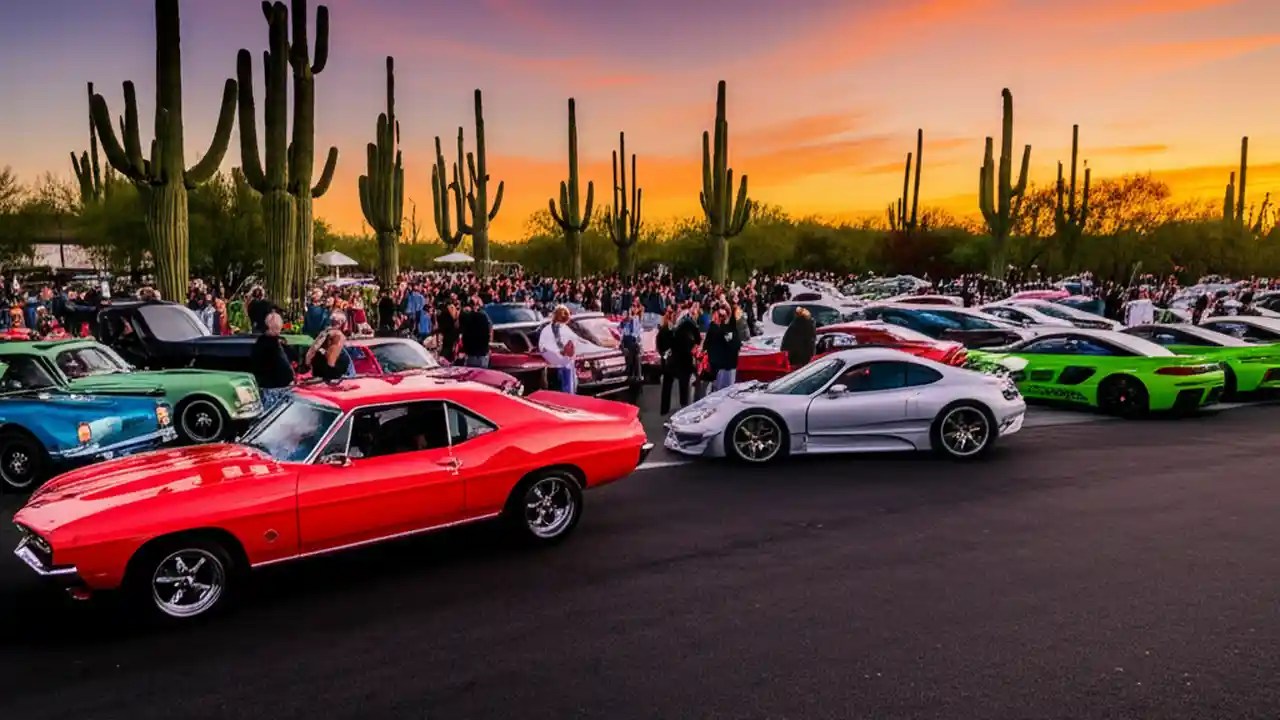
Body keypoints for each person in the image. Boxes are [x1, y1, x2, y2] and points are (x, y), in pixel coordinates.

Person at [657, 304, 700, 415]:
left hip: (680, 362)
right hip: (675, 363)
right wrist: (665, 356)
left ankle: (679, 409)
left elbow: (695, 340)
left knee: (681, 386)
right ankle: (670, 410)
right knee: (675, 386)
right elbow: (660, 345)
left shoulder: (684, 327)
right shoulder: (668, 329)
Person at [251, 311, 296, 409]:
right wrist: (290, 379)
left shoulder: (260, 342)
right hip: (276, 390)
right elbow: (284, 366)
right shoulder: (276, 345)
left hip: (263, 387)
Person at [539, 305, 584, 394]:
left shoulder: (559, 328)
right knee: (564, 385)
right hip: (559, 363)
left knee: (567, 383)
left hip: (563, 361)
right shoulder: (552, 330)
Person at [704, 304, 742, 392]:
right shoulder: (718, 329)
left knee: (723, 389)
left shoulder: (726, 329)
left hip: (725, 366)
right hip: (722, 366)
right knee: (723, 389)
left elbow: (734, 345)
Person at [307, 311, 352, 381]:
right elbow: (331, 358)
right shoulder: (338, 335)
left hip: (318, 366)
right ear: (341, 322)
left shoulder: (325, 332)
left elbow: (314, 348)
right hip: (330, 369)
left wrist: (308, 362)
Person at [459, 301, 493, 368]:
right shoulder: (483, 316)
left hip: (472, 353)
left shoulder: (468, 318)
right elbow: (489, 330)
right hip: (482, 352)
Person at [619, 301, 644, 381]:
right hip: (627, 341)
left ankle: (637, 375)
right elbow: (621, 331)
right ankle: (631, 374)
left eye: (634, 307)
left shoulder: (636, 319)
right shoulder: (624, 322)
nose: (632, 309)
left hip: (633, 341)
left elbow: (637, 331)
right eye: (632, 307)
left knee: (635, 358)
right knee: (630, 359)